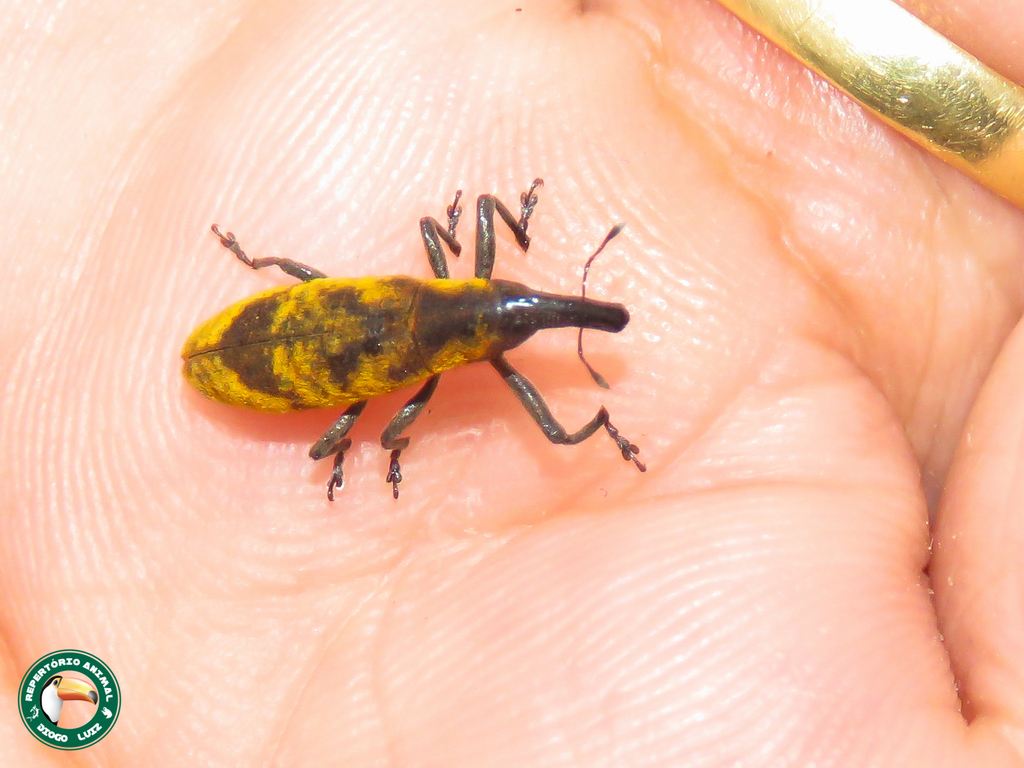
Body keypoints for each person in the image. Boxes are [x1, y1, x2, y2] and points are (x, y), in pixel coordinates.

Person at [3, 0, 1024, 765]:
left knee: (350, 417)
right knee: (342, 426)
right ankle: (329, 404)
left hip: (309, 340)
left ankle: (335, 408)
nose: (530, 313)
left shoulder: (435, 331)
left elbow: (490, 252)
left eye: (522, 307)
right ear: (480, 303)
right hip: (275, 343)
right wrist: (395, 436)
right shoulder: (429, 356)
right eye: (518, 307)